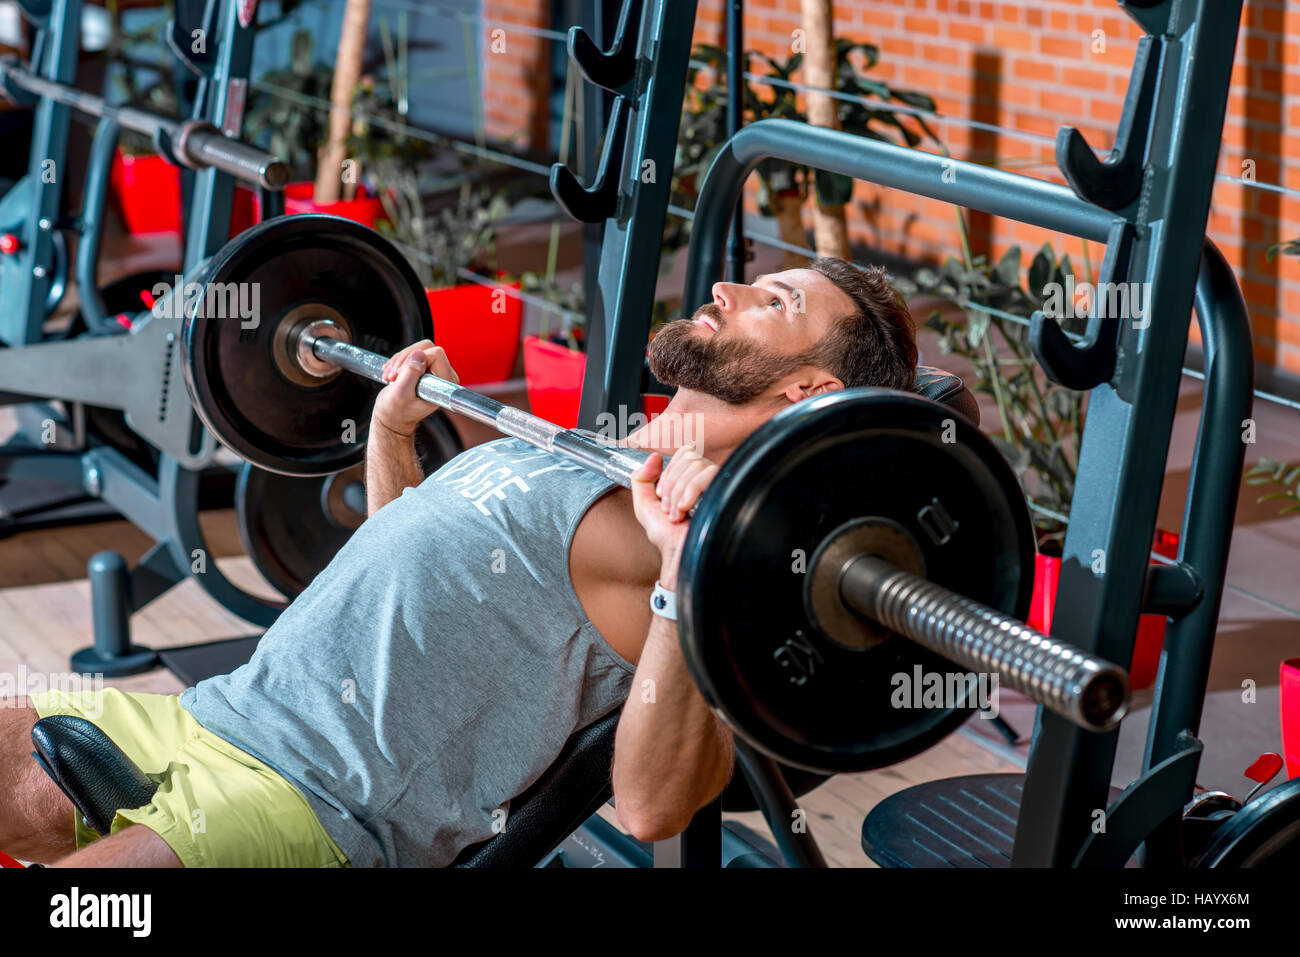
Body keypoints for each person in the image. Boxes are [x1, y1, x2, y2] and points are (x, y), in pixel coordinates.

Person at [0, 259, 918, 867]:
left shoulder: (681, 532)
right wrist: (392, 436)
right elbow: (411, 588)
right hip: (215, 715)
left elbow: (650, 808)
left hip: (306, 808)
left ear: (805, 389)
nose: (727, 285)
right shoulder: (582, 448)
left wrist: (686, 572)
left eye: (775, 301)